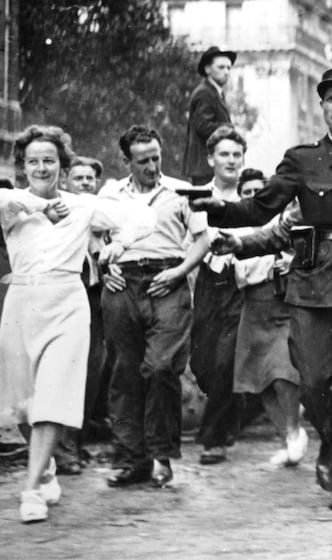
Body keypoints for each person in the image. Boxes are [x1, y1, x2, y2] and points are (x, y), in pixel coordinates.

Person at [192, 67, 332, 511]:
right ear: (321, 106)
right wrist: (223, 211)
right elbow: (264, 205)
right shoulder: (301, 159)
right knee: (311, 381)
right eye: (330, 100)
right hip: (313, 281)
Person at [0, 126, 155, 522]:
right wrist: (40, 208)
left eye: (49, 160)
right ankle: (47, 467)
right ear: (22, 166)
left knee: (53, 396)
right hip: (21, 303)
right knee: (21, 407)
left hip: (67, 306)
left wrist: (118, 245)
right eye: (32, 161)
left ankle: (32, 489)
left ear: (62, 166)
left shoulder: (84, 206)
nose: (40, 167)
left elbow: (143, 218)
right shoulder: (12, 205)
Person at [101, 125, 211, 491]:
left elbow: (202, 239)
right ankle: (131, 460)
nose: (152, 166)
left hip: (167, 281)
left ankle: (162, 455)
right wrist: (104, 267)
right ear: (126, 161)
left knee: (163, 367)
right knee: (125, 372)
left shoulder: (180, 191)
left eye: (156, 158)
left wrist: (179, 271)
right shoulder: (110, 193)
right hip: (122, 285)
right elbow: (89, 233)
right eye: (143, 160)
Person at [226, 167, 305, 467]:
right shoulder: (233, 225)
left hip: (281, 300)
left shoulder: (281, 221)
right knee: (259, 380)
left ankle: (295, 431)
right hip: (251, 303)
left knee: (282, 371)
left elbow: (307, 249)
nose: (252, 197)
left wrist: (292, 263)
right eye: (246, 193)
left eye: (257, 192)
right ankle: (288, 437)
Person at [192, 125, 248, 466]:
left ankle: (213, 440)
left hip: (237, 284)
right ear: (211, 158)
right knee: (202, 362)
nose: (230, 160)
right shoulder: (195, 197)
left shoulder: (251, 202)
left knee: (225, 360)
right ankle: (233, 412)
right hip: (204, 282)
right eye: (224, 154)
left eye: (236, 154)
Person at [53, 156, 110, 474]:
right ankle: (61, 451)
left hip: (96, 301)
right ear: (65, 182)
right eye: (79, 178)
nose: (87, 183)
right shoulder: (61, 216)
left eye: (91, 179)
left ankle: (75, 443)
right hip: (66, 300)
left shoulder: (102, 220)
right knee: (67, 373)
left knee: (92, 374)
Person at [184, 46, 236, 186]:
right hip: (205, 167)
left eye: (228, 68)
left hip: (212, 165)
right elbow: (203, 126)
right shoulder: (205, 93)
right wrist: (228, 128)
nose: (226, 72)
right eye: (221, 67)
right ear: (207, 69)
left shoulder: (215, 92)